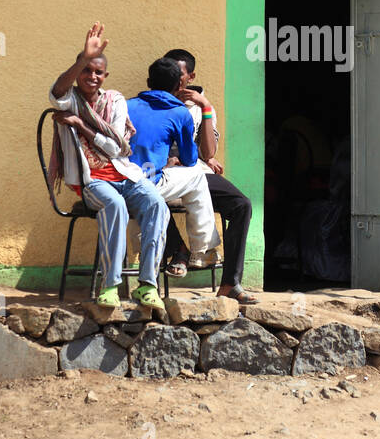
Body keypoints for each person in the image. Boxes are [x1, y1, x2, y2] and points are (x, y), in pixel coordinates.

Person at [47, 23, 168, 312]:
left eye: (97, 72)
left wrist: (79, 125)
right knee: (115, 206)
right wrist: (81, 59)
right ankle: (111, 285)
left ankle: (148, 285)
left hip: (125, 174)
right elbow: (56, 92)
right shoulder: (70, 99)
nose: (91, 76)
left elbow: (115, 148)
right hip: (92, 182)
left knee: (157, 204)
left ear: (105, 76)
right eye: (86, 71)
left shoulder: (114, 100)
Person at [161, 47, 260, 305]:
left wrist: (204, 107)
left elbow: (208, 152)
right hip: (163, 174)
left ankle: (230, 283)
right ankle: (178, 250)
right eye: (169, 73)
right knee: (146, 195)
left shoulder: (200, 106)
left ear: (190, 77)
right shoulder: (155, 102)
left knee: (241, 205)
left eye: (179, 74)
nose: (174, 79)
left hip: (196, 172)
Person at [126, 57, 221, 265]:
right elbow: (189, 159)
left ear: (148, 82)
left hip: (116, 184)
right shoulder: (179, 113)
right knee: (196, 175)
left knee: (146, 199)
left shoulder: (126, 106)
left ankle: (154, 254)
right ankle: (202, 250)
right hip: (146, 184)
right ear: (180, 84)